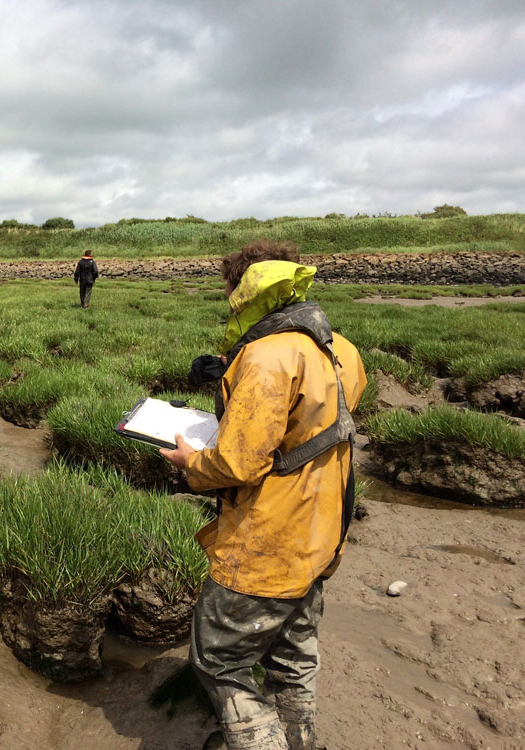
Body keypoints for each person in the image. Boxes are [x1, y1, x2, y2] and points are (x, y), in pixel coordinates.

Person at [160, 240, 367, 750]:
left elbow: (236, 463)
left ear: (242, 291)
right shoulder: (337, 347)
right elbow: (309, 422)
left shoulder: (266, 357)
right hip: (321, 535)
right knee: (293, 658)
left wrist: (191, 462)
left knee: (218, 659)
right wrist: (227, 371)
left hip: (266, 542)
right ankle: (299, 740)